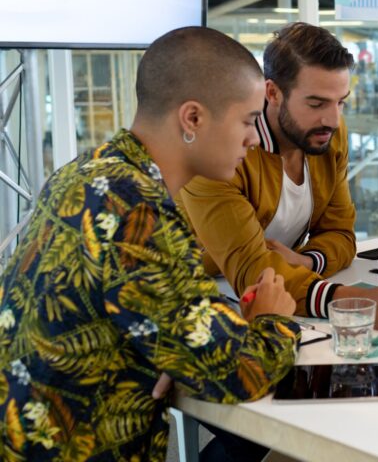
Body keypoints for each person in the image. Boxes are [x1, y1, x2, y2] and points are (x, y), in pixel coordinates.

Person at [0, 27, 299, 461]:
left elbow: (126, 313)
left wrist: (169, 352)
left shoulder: (87, 171)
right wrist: (273, 321)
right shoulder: (139, 210)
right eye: (249, 121)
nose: (254, 139)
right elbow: (237, 374)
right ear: (193, 118)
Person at [181, 23, 378, 331]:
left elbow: (341, 234)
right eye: (316, 103)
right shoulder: (219, 153)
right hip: (206, 302)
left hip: (289, 294)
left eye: (341, 102)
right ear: (272, 92)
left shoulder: (326, 136)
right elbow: (250, 268)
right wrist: (350, 301)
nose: (333, 120)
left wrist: (310, 261)